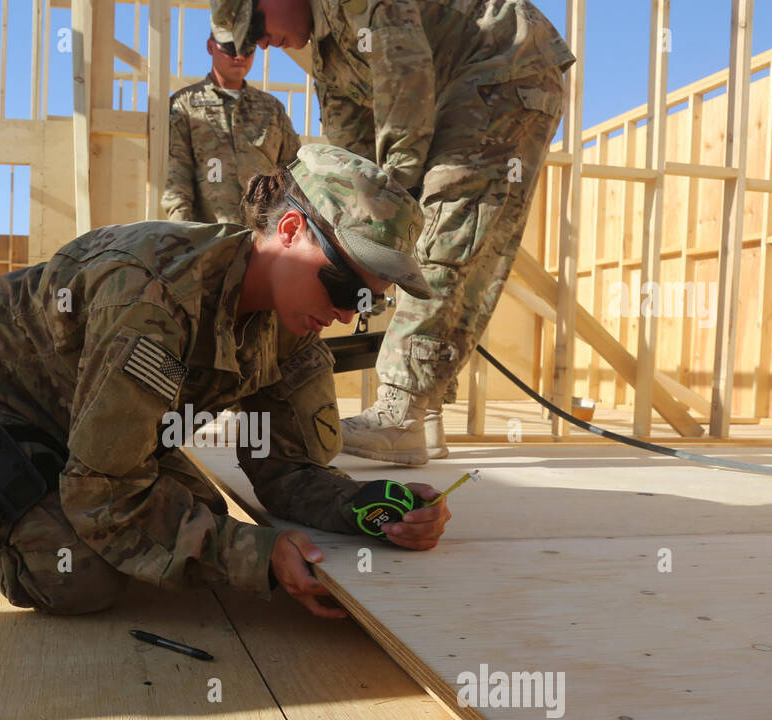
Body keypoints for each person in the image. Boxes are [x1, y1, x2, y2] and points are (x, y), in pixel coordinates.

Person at [0, 144, 452, 619]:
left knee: (196, 513)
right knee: (73, 573)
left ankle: (8, 476)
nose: (349, 313)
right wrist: (258, 557)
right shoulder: (152, 299)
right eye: (346, 286)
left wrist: (366, 507)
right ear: (292, 229)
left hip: (75, 413)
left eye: (371, 301)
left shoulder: (294, 323)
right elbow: (102, 495)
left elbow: (287, 471)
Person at [210, 0, 575, 464]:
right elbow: (354, 170)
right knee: (416, 234)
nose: (259, 44)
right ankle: (425, 412)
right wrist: (352, 240)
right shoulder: (328, 55)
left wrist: (388, 218)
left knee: (450, 225)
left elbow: (408, 88)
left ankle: (402, 412)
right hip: (457, 84)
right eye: (247, 41)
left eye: (256, 25)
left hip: (504, 68)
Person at [163, 29, 301, 224]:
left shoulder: (272, 108)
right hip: (210, 235)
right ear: (210, 46)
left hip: (264, 235)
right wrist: (184, 233)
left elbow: (294, 174)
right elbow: (177, 179)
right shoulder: (184, 105)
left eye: (247, 49)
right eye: (230, 48)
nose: (239, 56)